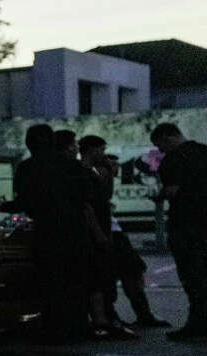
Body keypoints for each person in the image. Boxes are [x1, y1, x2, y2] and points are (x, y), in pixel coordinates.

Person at [13, 122, 100, 341]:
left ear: (30, 143)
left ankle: (54, 326)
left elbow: (25, 202)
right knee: (76, 281)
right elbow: (87, 198)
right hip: (75, 231)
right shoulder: (72, 166)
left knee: (50, 282)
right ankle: (78, 326)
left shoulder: (26, 168)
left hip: (46, 232)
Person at [80, 134, 166, 329]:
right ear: (93, 150)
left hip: (110, 229)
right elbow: (96, 201)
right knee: (113, 275)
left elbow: (103, 199)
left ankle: (140, 314)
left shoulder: (95, 172)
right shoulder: (89, 173)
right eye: (101, 150)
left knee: (132, 270)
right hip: (106, 231)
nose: (103, 154)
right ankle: (115, 317)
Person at [152, 122, 207, 340]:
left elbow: (173, 191)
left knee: (193, 277)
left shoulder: (173, 160)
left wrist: (161, 195)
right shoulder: (204, 151)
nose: (160, 151)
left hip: (187, 225)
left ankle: (198, 324)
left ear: (168, 137)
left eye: (159, 145)